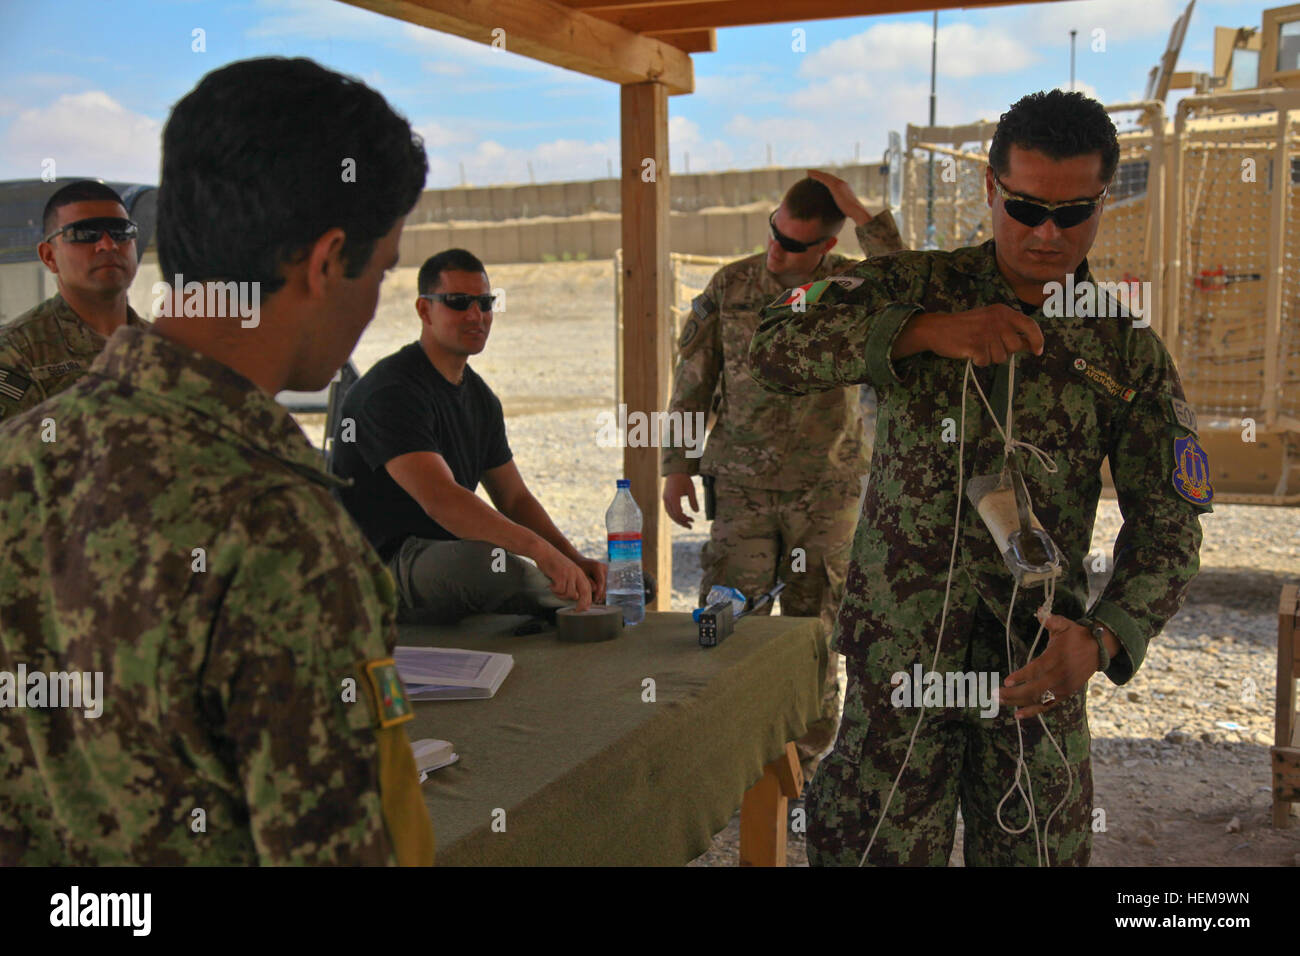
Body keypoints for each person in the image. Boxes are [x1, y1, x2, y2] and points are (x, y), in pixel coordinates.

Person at [749, 90, 1210, 866]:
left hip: (1034, 670)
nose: (1047, 234)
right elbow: (776, 336)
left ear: (1105, 202)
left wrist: (1102, 641)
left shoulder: (1124, 349)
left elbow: (1170, 525)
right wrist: (923, 332)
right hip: (901, 665)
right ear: (993, 190)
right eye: (1026, 207)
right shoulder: (914, 284)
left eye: (1074, 213)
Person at [0, 57, 433, 865]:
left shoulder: (18, 458)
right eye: (381, 271)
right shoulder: (283, 529)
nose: (375, 301)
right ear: (328, 260)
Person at [661, 170, 903, 779]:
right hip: (741, 488)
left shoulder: (850, 286)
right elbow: (694, 380)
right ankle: (723, 754)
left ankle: (801, 763)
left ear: (826, 244)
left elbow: (909, 284)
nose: (778, 250)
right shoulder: (732, 284)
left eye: (795, 243)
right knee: (726, 617)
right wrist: (676, 466)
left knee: (813, 628)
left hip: (827, 489)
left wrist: (859, 209)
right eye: (775, 232)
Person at [332, 247, 606, 624]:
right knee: (485, 567)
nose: (476, 315)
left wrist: (574, 559)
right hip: (379, 566)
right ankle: (569, 599)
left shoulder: (480, 398)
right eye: (458, 302)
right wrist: (541, 554)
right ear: (424, 310)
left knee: (502, 565)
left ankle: (573, 594)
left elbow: (514, 497)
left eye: (485, 302)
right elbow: (441, 499)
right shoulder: (390, 390)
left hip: (443, 552)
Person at [0, 180, 147, 422]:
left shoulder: (162, 346)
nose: (108, 245)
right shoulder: (16, 355)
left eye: (122, 232)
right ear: (49, 256)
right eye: (84, 234)